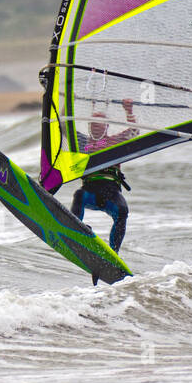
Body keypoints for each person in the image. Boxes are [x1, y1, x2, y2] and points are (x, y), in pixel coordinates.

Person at [71, 98, 136, 285]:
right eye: (93, 122)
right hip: (89, 190)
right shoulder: (81, 142)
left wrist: (129, 109)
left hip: (111, 192)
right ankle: (76, 229)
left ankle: (111, 254)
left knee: (123, 211)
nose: (96, 125)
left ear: (107, 126)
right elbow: (63, 127)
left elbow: (134, 132)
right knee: (78, 196)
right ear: (90, 126)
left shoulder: (116, 141)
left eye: (100, 122)